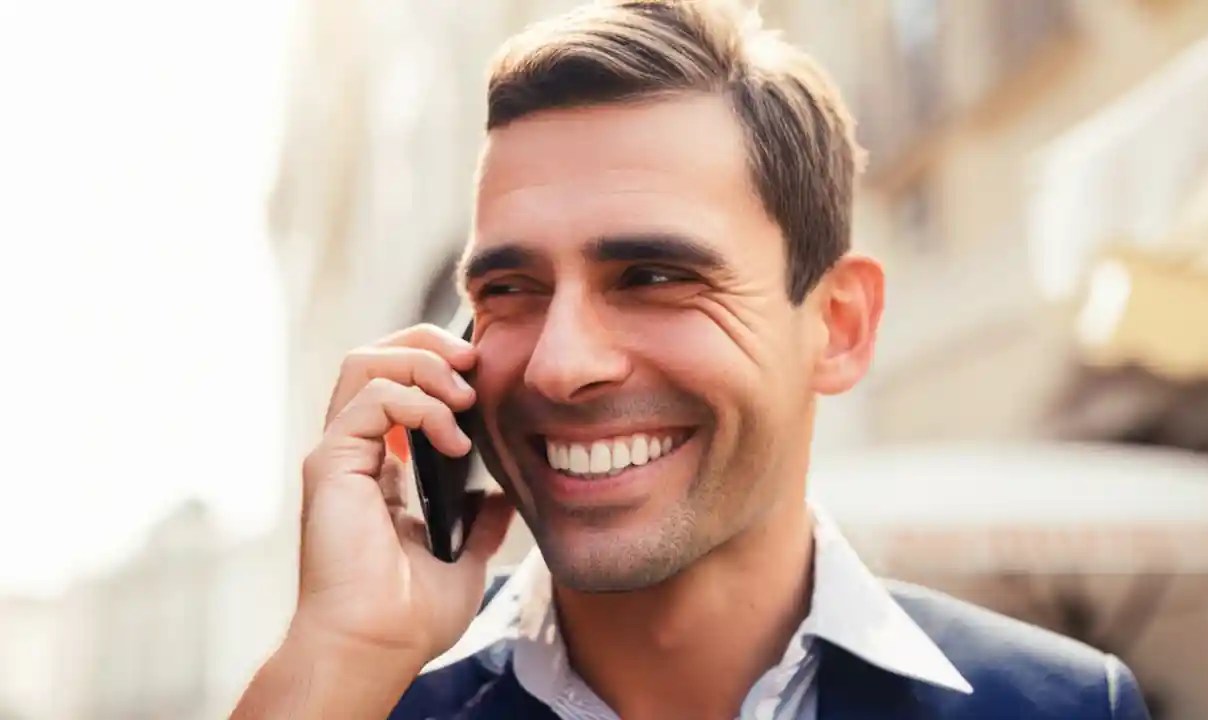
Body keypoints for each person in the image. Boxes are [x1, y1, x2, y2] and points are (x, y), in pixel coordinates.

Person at [233, 1, 1152, 718]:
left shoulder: (1066, 708)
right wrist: (342, 657)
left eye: (654, 276)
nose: (559, 366)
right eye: (509, 288)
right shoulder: (358, 698)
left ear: (838, 326)